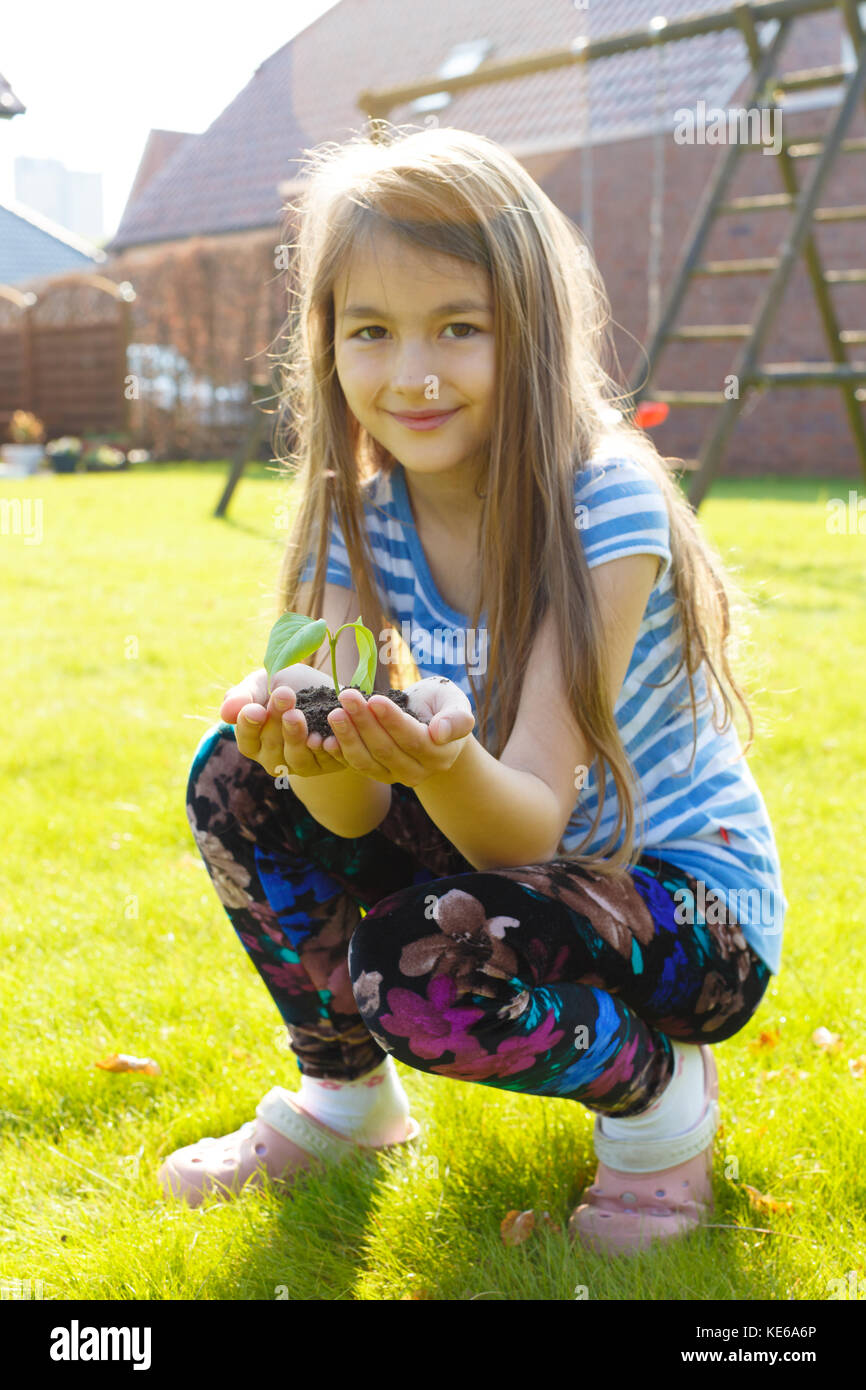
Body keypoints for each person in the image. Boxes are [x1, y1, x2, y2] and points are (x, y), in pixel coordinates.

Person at [161, 125, 786, 1257]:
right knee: (233, 776)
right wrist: (322, 748)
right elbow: (345, 823)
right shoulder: (355, 512)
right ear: (328, 345)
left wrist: (440, 759)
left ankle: (655, 1103)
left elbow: (529, 816)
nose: (413, 372)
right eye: (372, 331)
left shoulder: (603, 506)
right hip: (512, 872)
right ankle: (347, 1108)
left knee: (418, 969)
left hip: (681, 909)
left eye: (459, 326)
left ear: (532, 331)